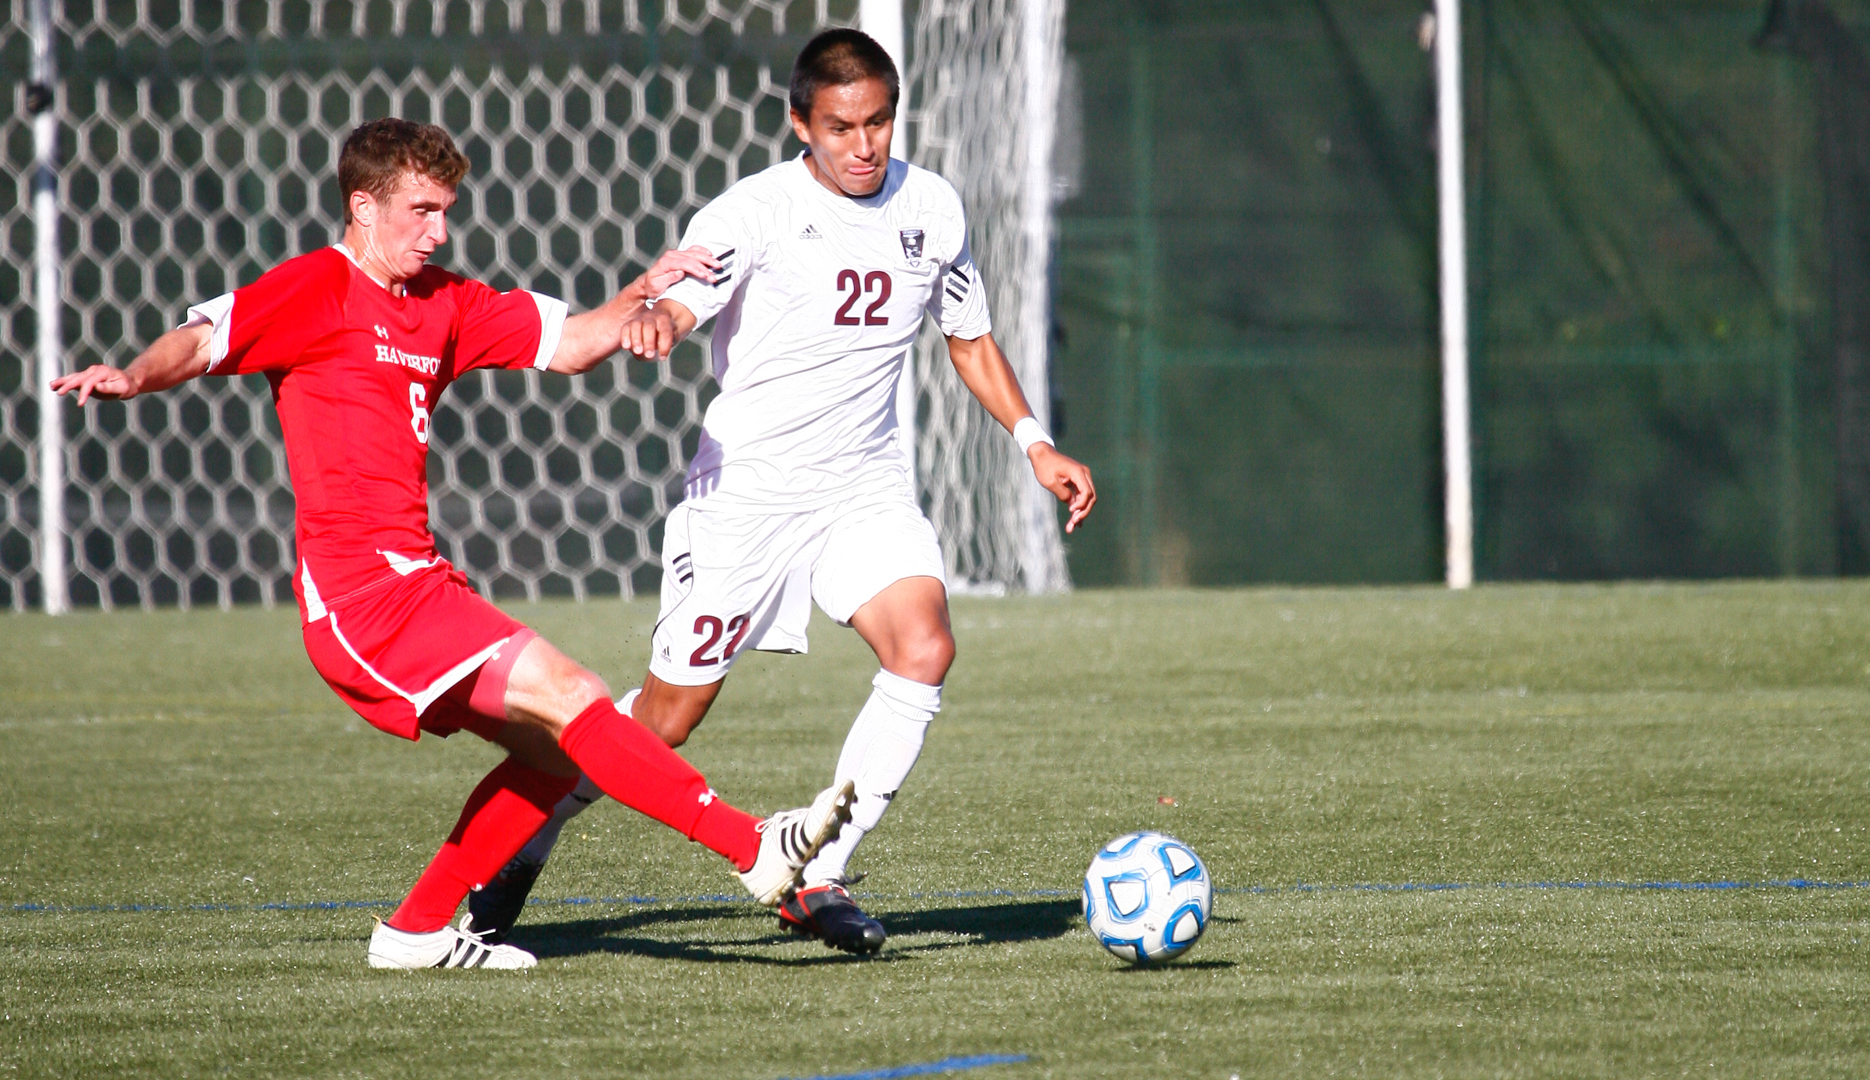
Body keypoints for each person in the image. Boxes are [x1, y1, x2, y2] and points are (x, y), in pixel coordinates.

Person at [51, 118, 853, 971]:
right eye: (422, 210)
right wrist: (135, 374)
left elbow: (576, 343)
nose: (439, 231)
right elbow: (204, 337)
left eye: (446, 210)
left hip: (419, 580)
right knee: (574, 689)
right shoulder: (316, 288)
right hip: (361, 592)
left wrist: (642, 294)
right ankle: (753, 847)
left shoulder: (443, 300)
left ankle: (416, 931)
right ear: (363, 207)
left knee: (554, 751)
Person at [466, 28, 1096, 955]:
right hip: (747, 498)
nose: (864, 145)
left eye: (879, 122)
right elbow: (687, 296)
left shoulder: (933, 205)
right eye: (841, 127)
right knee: (667, 721)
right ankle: (531, 834)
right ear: (800, 122)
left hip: (863, 489)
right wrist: (664, 322)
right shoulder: (752, 211)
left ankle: (817, 866)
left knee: (923, 646)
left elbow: (968, 336)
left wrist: (1036, 444)